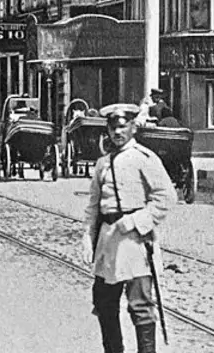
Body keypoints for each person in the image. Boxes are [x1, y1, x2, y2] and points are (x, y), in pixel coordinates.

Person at [81, 102, 175, 353]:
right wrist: (87, 237)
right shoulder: (103, 164)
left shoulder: (144, 158)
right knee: (104, 303)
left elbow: (166, 197)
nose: (117, 133)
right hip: (108, 243)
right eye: (113, 128)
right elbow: (94, 206)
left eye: (122, 127)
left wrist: (135, 221)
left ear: (133, 127)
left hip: (135, 242)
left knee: (140, 305)